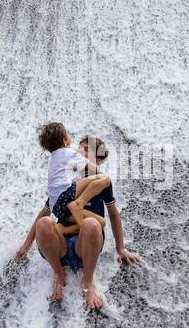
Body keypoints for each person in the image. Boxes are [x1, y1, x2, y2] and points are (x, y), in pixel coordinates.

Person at [16, 124, 140, 308]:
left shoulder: (101, 183)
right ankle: (59, 274)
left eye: (85, 149)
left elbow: (114, 215)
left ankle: (87, 282)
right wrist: (25, 247)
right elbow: (43, 214)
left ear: (98, 157)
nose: (78, 151)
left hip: (85, 247)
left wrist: (120, 249)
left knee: (91, 223)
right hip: (59, 246)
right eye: (79, 147)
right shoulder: (68, 183)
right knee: (44, 222)